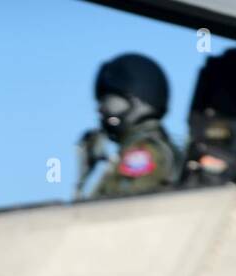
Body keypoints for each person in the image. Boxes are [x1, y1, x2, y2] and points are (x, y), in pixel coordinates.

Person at [77, 53, 180, 199]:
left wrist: (86, 180)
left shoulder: (144, 150)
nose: (101, 110)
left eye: (109, 101)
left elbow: (119, 211)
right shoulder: (146, 146)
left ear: (136, 103)